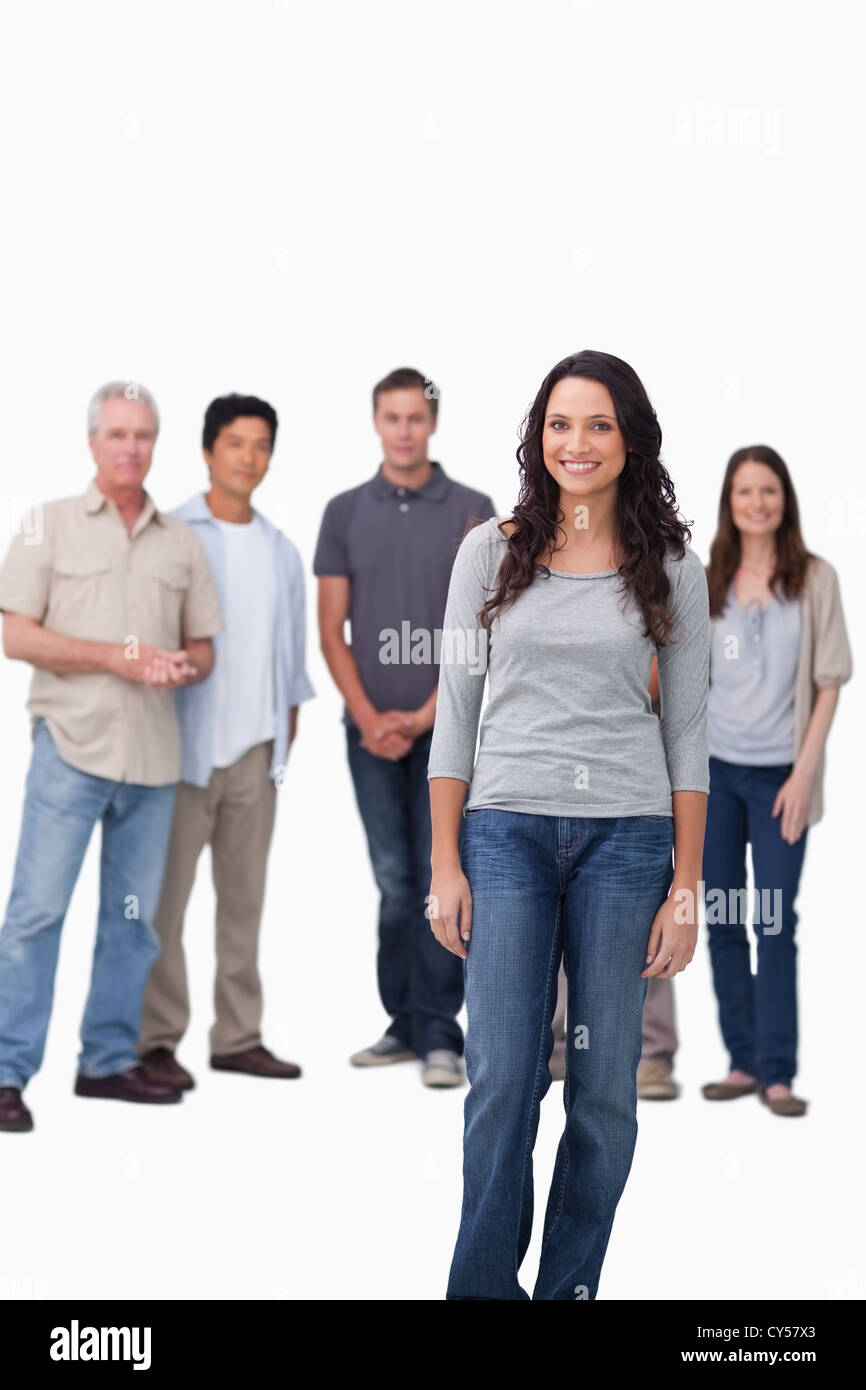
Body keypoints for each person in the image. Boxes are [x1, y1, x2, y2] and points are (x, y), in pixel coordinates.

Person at [427, 349, 709, 1299]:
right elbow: (456, 707)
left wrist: (686, 886)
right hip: (502, 833)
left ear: (630, 439)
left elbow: (689, 732)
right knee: (503, 1080)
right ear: (536, 437)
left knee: (605, 1096)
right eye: (559, 423)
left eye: (597, 425)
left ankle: (570, 1291)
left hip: (627, 841)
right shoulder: (487, 550)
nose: (576, 443)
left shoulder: (671, 565)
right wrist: (444, 861)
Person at [0, 382, 223, 1134]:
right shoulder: (47, 526)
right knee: (35, 915)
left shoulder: (180, 542)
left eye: (144, 435)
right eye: (118, 434)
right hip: (71, 749)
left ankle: (105, 1060)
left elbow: (203, 649)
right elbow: (16, 635)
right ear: (93, 442)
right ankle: (5, 1072)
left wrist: (180, 668)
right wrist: (119, 658)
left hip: (154, 762)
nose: (131, 447)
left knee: (133, 923)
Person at [314, 367, 496, 1087]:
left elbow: (484, 624)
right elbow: (332, 630)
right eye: (391, 417)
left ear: (433, 423)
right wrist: (367, 717)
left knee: (439, 877)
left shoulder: (474, 509)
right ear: (375, 422)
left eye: (415, 417)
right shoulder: (343, 511)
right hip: (366, 735)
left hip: (445, 731)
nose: (403, 429)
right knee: (393, 882)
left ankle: (441, 1035)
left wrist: (424, 716)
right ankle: (404, 1023)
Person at [138, 394, 315, 1088]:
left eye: (261, 445)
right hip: (179, 750)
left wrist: (281, 752)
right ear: (208, 450)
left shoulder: (281, 550)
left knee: (244, 905)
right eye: (236, 443)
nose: (249, 457)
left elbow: (291, 665)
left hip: (255, 755)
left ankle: (237, 1037)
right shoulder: (171, 534)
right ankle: (156, 1040)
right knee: (163, 907)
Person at [700, 445, 851, 1117]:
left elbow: (829, 683)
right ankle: (740, 1061)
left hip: (779, 778)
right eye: (744, 492)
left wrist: (802, 773)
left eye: (768, 491)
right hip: (713, 774)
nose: (756, 503)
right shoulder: (709, 581)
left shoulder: (815, 578)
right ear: (729, 505)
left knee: (774, 919)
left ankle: (778, 1071)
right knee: (723, 916)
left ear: (784, 499)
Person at [550, 658, 683, 1101]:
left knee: (638, 927)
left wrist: (603, 689)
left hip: (634, 761)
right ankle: (560, 1046)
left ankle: (651, 1054)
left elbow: (668, 656)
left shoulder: (677, 585)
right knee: (558, 906)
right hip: (554, 752)